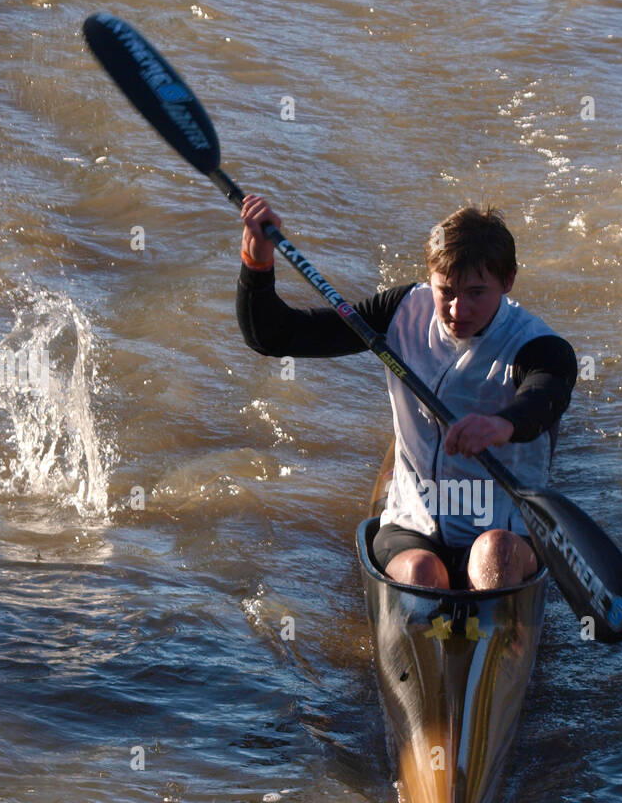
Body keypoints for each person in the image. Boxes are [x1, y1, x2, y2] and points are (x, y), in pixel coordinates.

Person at [237, 195, 577, 591]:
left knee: (493, 552)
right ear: (430, 278)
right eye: (446, 290)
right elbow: (273, 335)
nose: (456, 309)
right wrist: (257, 260)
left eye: (476, 293)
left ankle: (492, 628)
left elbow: (546, 394)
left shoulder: (537, 345)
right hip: (413, 525)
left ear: (508, 281)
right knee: (421, 573)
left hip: (504, 529)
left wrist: (502, 425)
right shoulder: (402, 311)